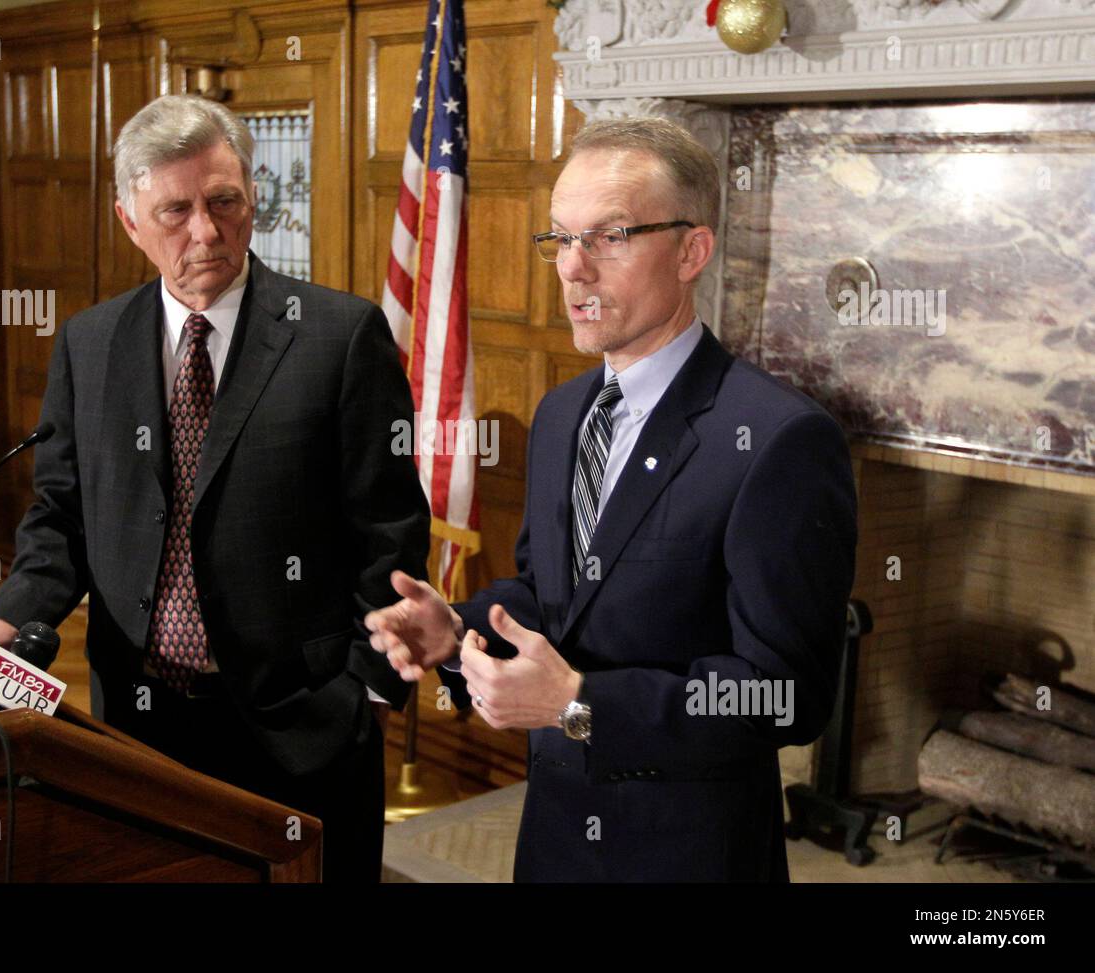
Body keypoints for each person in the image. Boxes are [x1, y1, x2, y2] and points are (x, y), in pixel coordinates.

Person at [0, 94, 430, 883]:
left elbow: (389, 531)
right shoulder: (90, 345)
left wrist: (363, 690)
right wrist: (10, 617)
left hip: (302, 727)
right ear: (130, 221)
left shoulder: (340, 335)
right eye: (176, 210)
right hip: (140, 724)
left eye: (224, 201)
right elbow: (60, 518)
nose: (206, 231)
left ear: (252, 197)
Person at [365, 116, 858, 882]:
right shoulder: (562, 413)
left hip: (690, 856)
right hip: (554, 837)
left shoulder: (780, 440)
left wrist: (579, 703)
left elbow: (784, 695)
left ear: (692, 249)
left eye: (610, 236)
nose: (572, 268)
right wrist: (453, 630)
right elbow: (551, 597)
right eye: (560, 238)